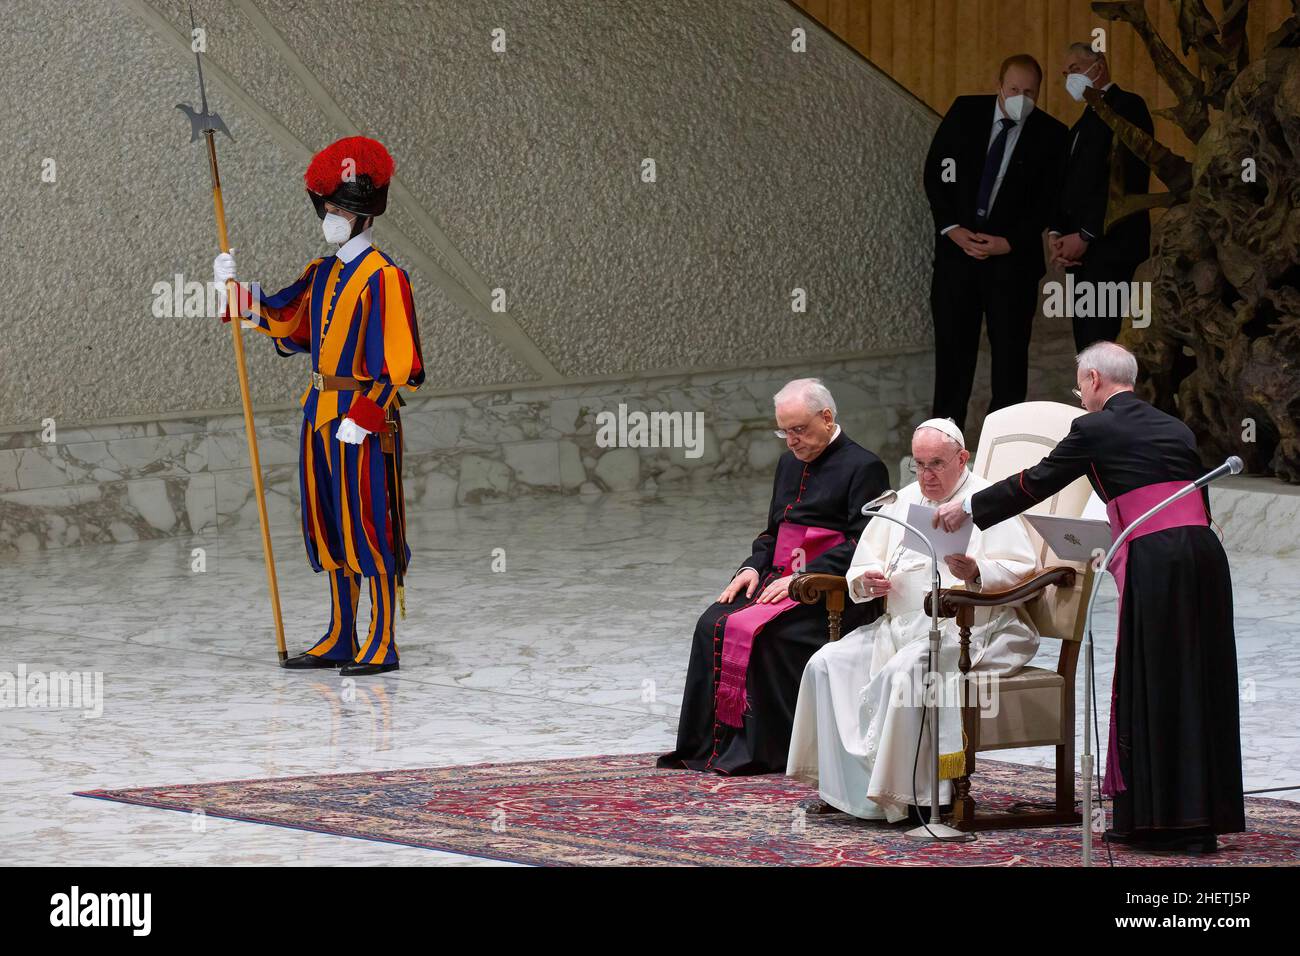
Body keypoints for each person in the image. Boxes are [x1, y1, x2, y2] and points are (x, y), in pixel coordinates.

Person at [934, 342, 1244, 852]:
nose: (1080, 396)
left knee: (1155, 677)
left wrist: (968, 507)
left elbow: (1036, 482)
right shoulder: (1176, 426)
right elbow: (1194, 498)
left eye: (1080, 385)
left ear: (1095, 379)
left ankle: (1163, 822)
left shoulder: (1093, 428)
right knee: (1199, 675)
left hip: (1156, 556)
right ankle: (1203, 817)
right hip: (1204, 554)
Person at [212, 136, 425, 676]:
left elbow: (400, 363)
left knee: (369, 525)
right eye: (328, 207)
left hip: (363, 419)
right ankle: (340, 634)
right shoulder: (323, 272)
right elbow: (287, 321)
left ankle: (381, 641)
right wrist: (235, 293)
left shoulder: (386, 277)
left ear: (363, 215)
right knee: (329, 523)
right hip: (320, 412)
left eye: (341, 208)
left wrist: (368, 415)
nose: (332, 216)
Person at [787, 419, 1039, 821]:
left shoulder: (988, 502)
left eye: (936, 464)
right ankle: (847, 793)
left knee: (909, 670)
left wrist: (976, 571)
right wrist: (865, 581)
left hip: (971, 629)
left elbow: (1025, 570)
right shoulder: (903, 501)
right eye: (919, 465)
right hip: (898, 627)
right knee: (826, 663)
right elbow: (863, 563)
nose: (926, 475)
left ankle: (911, 796)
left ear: (962, 458)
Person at [658, 379, 890, 775]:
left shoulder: (864, 466)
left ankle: (767, 750)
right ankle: (707, 747)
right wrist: (750, 568)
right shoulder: (788, 463)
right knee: (711, 622)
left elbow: (864, 541)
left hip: (826, 590)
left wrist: (806, 575)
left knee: (765, 636)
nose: (791, 441)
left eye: (799, 429)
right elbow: (772, 532)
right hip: (777, 577)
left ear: (827, 417)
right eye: (784, 431)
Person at [924, 54, 1067, 432]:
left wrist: (1012, 243)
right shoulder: (965, 113)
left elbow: (1050, 199)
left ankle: (1000, 445)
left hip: (1011, 266)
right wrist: (952, 228)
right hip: (958, 259)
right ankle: (943, 442)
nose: (1021, 97)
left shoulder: (1053, 134)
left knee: (1009, 358)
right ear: (999, 85)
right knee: (953, 354)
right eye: (1014, 89)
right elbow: (937, 172)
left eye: (1030, 92)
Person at [1050, 44, 1153, 350]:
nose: (1071, 78)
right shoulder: (1081, 123)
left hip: (1112, 249)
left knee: (1107, 347)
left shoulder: (1128, 106)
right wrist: (1057, 232)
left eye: (1076, 69)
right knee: (1086, 346)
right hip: (1081, 257)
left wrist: (1085, 234)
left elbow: (1127, 178)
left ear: (1100, 65)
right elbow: (1068, 184)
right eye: (1066, 73)